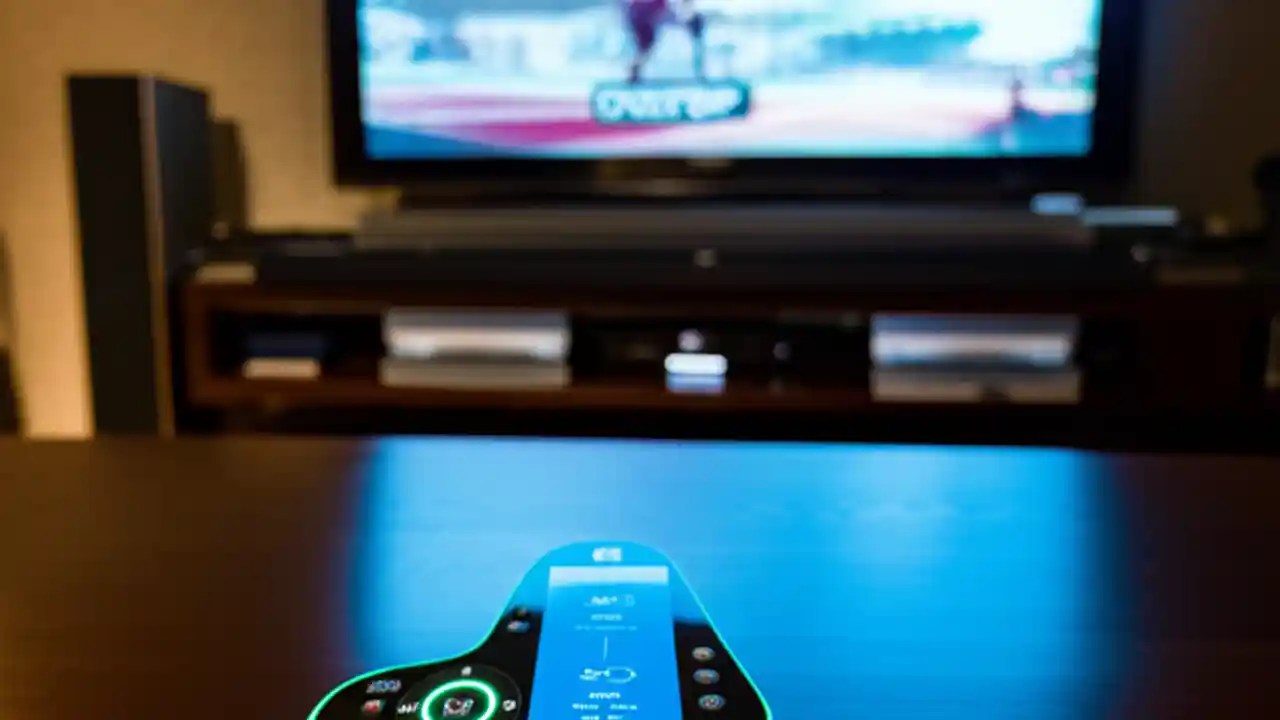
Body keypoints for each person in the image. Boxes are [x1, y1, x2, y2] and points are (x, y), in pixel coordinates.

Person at [624, 0, 706, 84]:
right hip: (641, 14)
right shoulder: (662, 9)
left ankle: (634, 73)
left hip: (641, 14)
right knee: (645, 48)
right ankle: (634, 73)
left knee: (644, 49)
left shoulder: (663, 9)